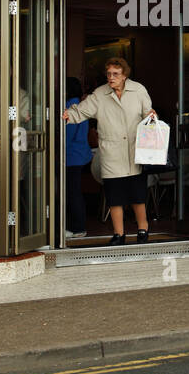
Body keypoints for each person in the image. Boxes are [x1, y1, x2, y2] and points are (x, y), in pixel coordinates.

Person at [63, 58, 157, 245]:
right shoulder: (100, 94)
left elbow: (149, 114)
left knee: (137, 195)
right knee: (114, 197)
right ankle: (118, 234)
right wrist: (67, 114)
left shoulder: (138, 90)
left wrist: (152, 116)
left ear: (124, 76)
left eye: (115, 74)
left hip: (135, 151)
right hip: (111, 153)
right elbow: (81, 112)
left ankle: (142, 229)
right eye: (108, 74)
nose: (111, 78)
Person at [64, 76, 92, 239]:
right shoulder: (81, 105)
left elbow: (67, 136)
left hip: (71, 156)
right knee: (74, 191)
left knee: (72, 192)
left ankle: (77, 228)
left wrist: (57, 152)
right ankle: (77, 226)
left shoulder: (71, 107)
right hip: (80, 154)